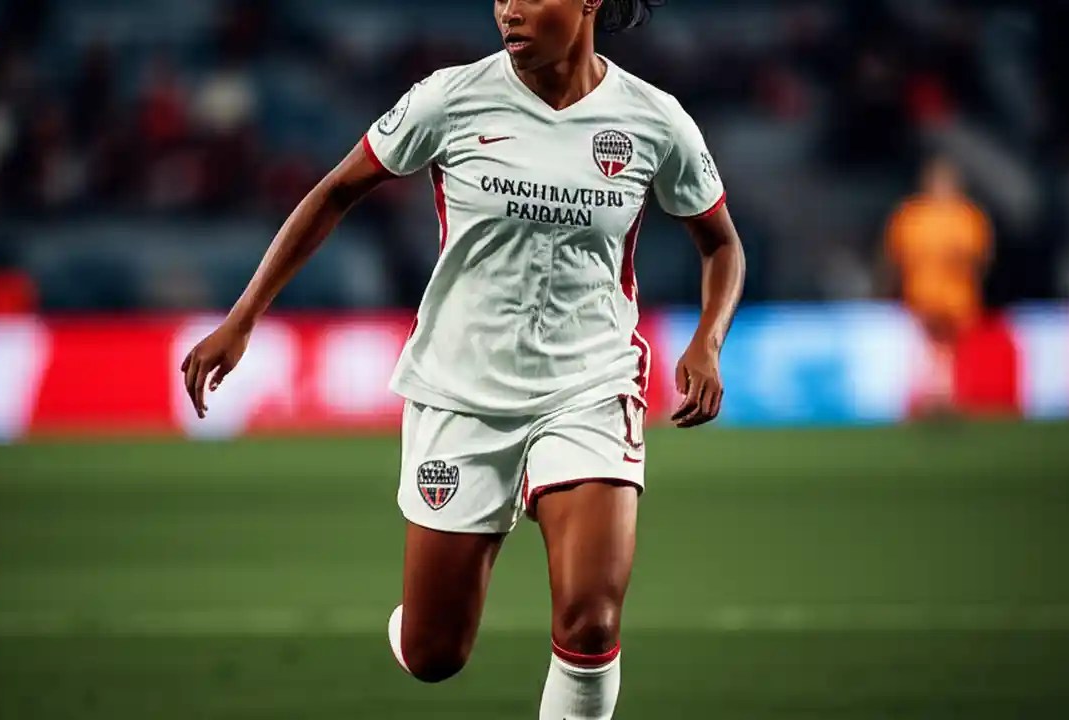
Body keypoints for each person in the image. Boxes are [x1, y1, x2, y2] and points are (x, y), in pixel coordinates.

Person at [180, 1, 745, 717]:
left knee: (591, 620)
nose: (508, 10)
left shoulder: (653, 120)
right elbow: (335, 191)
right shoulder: (450, 98)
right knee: (435, 654)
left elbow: (721, 243)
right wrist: (243, 317)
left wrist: (707, 341)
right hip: (461, 391)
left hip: (591, 383)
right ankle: (419, 626)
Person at [885, 155, 993, 415]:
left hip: (957, 295)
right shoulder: (913, 215)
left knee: (949, 347)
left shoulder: (967, 216)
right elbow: (897, 255)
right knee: (932, 346)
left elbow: (979, 257)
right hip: (922, 293)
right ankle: (938, 396)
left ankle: (943, 395)